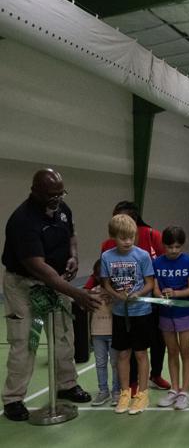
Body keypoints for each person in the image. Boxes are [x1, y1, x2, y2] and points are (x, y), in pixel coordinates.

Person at [2, 168, 100, 421]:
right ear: (35, 191)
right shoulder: (23, 221)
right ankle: (13, 399)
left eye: (60, 193)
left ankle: (66, 384)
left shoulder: (62, 209)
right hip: (25, 286)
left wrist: (74, 257)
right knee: (26, 341)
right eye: (51, 195)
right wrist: (77, 294)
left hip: (57, 283)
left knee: (63, 335)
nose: (57, 199)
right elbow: (41, 270)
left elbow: (72, 237)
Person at [100, 200, 170, 392]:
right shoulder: (108, 248)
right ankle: (130, 383)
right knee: (127, 349)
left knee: (155, 341)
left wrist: (159, 291)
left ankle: (155, 375)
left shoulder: (151, 235)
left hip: (149, 301)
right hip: (123, 308)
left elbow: (163, 264)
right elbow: (103, 276)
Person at [99, 214, 156, 415]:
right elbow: (106, 283)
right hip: (119, 313)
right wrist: (116, 295)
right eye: (123, 237)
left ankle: (142, 393)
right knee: (123, 353)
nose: (127, 241)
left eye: (131, 237)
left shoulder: (142, 256)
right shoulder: (107, 257)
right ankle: (125, 393)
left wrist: (137, 294)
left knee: (141, 353)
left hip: (140, 312)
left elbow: (150, 282)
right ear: (113, 236)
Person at [152, 226, 189, 410]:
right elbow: (155, 287)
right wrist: (160, 296)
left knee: (185, 350)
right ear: (163, 245)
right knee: (172, 351)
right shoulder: (157, 262)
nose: (173, 251)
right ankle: (174, 389)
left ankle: (185, 391)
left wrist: (175, 294)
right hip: (165, 314)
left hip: (184, 313)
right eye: (170, 247)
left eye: (177, 247)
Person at [86, 259, 121, 407]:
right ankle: (103, 391)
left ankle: (116, 392)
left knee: (115, 363)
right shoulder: (93, 292)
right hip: (97, 333)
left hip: (113, 333)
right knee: (100, 363)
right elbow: (86, 312)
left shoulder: (118, 294)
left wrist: (113, 298)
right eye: (99, 276)